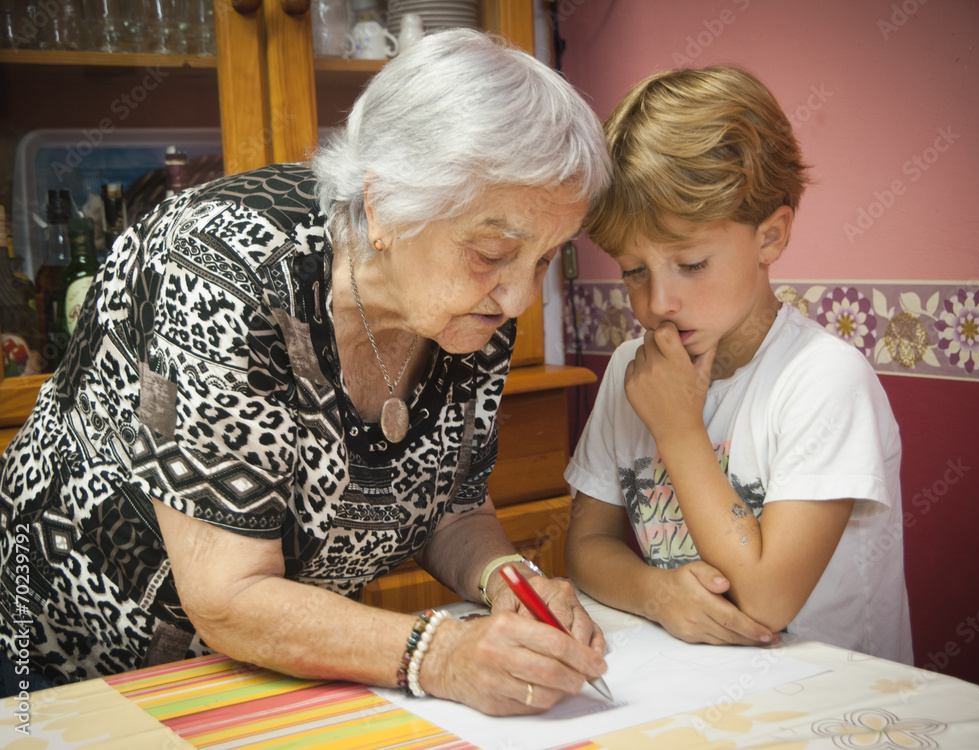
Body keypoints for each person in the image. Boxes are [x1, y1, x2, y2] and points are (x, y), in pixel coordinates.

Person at [0, 29, 614, 715]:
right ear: (383, 207)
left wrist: (510, 580)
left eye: (545, 258)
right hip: (71, 669)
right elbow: (228, 597)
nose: (519, 296)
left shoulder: (467, 307)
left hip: (275, 674)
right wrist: (442, 654)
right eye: (494, 251)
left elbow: (451, 503)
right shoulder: (222, 268)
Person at [563, 65, 913, 664]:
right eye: (633, 269)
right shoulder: (632, 372)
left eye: (691, 263)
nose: (657, 303)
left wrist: (678, 429)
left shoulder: (824, 381)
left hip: (828, 704)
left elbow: (766, 600)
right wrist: (655, 593)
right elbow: (585, 546)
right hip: (699, 687)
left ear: (770, 237)